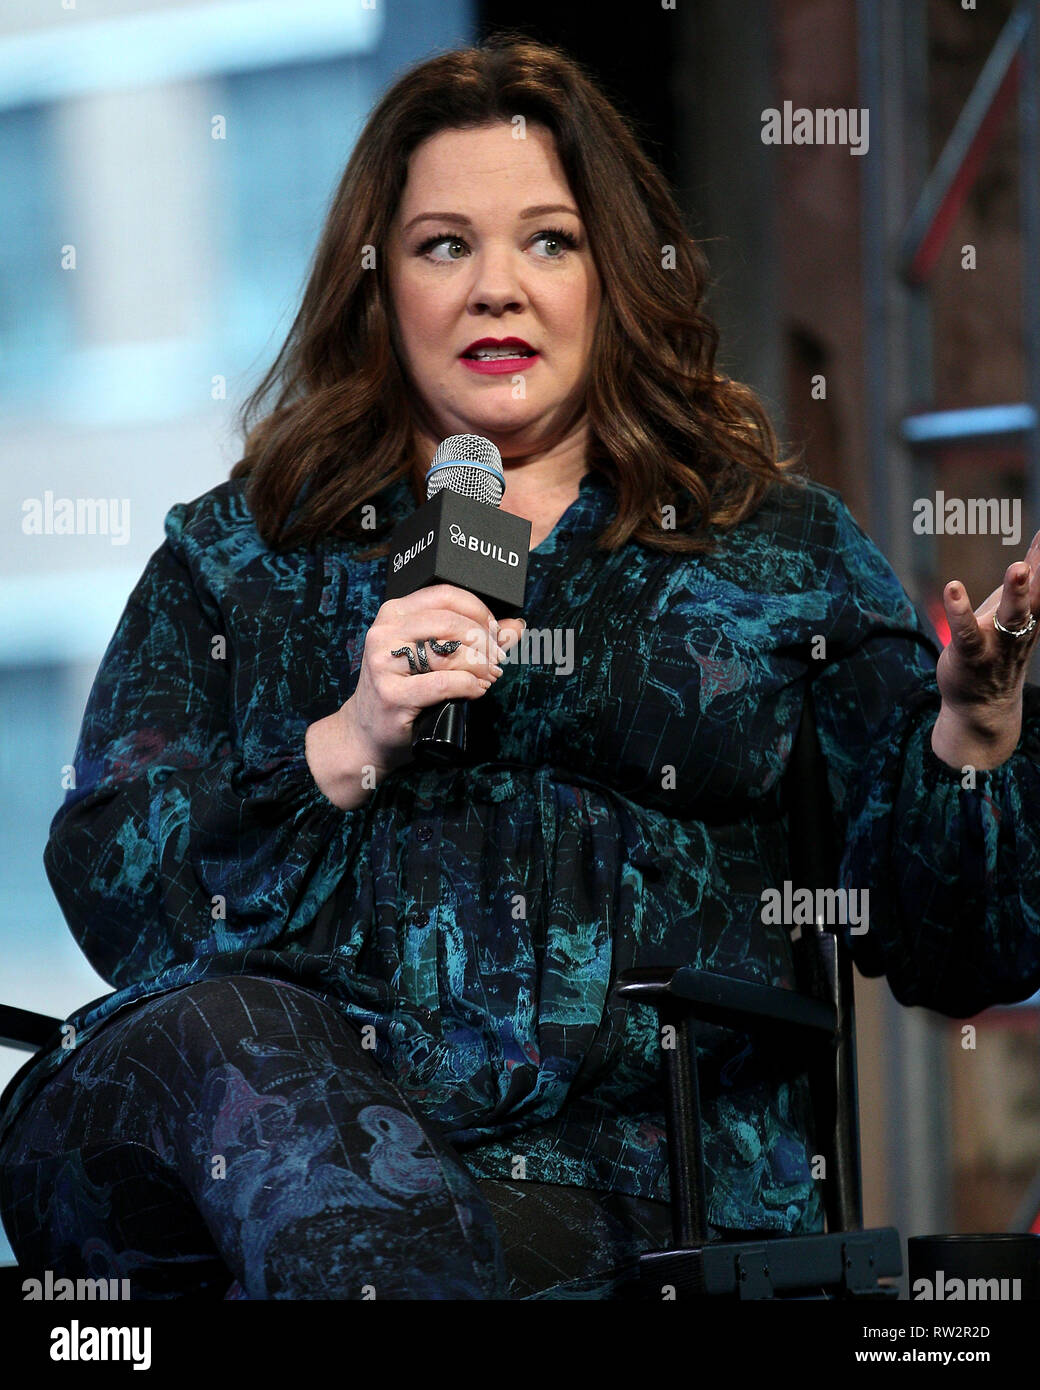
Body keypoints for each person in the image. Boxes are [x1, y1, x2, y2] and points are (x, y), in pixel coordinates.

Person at [1, 33, 1039, 1302]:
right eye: (445, 245)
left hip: (617, 1185)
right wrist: (345, 743)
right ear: (378, 281)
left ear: (611, 273)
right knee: (241, 1060)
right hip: (227, 1130)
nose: (497, 288)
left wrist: (974, 735)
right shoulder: (245, 551)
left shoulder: (775, 555)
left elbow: (957, 953)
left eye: (547, 240)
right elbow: (111, 880)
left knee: (384, 1251)